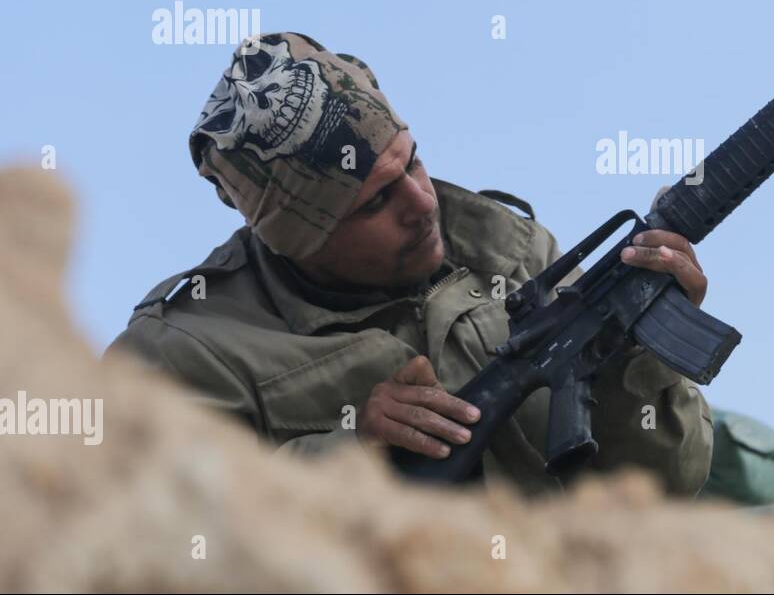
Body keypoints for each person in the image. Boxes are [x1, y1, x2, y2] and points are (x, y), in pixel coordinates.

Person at [106, 32, 713, 497]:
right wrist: (352, 452)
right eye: (374, 200)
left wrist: (638, 359)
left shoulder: (513, 252)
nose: (423, 204)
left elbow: (669, 485)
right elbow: (142, 548)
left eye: (412, 162)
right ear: (298, 237)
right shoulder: (181, 351)